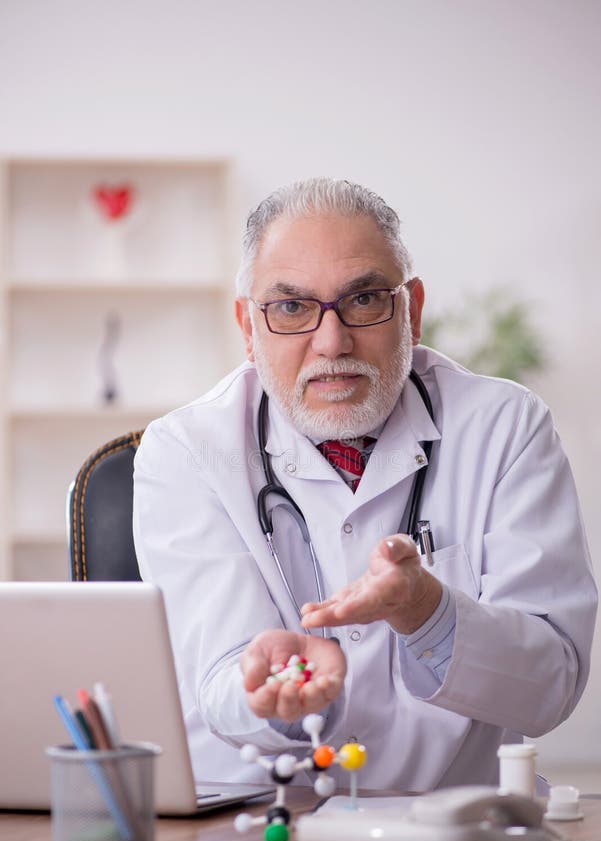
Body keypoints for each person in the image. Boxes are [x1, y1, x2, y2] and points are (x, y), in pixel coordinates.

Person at [133, 177, 597, 791]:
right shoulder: (187, 451)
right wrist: (278, 687)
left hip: (457, 820)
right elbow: (219, 684)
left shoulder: (505, 427)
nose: (332, 342)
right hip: (260, 816)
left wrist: (429, 613)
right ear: (248, 327)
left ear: (413, 311)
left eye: (365, 299)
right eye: (291, 308)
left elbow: (550, 686)